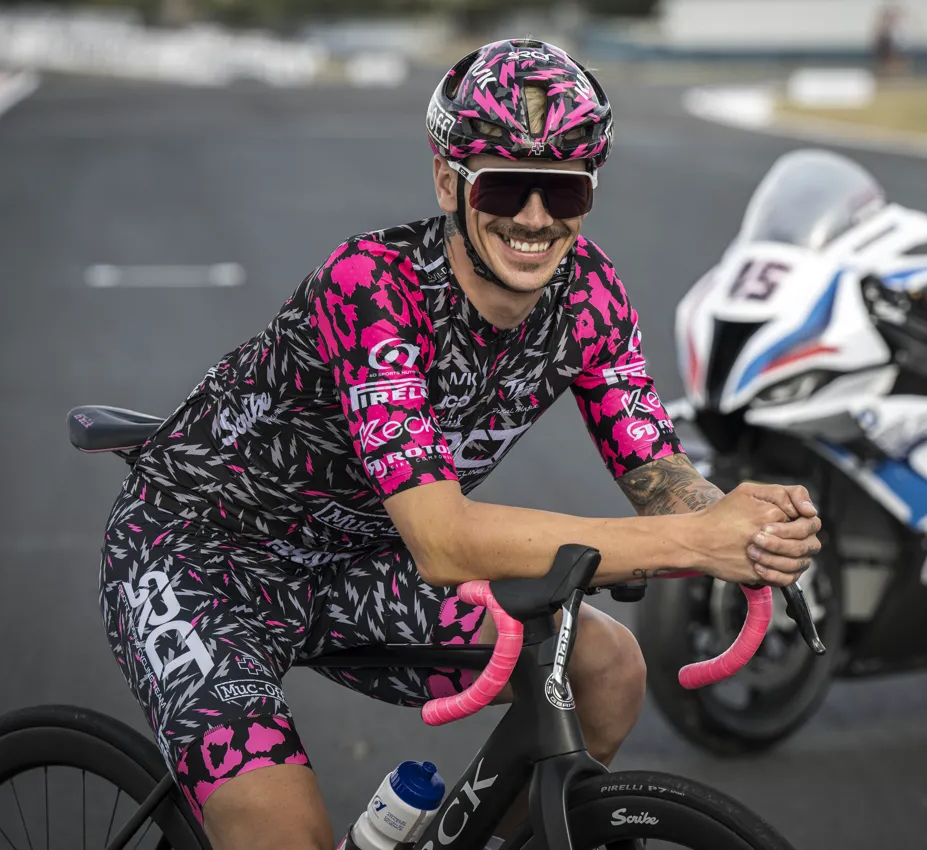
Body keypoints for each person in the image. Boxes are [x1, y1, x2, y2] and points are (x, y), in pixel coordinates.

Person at [98, 37, 823, 850]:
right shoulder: (369, 285)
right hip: (205, 555)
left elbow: (654, 468)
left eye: (566, 189)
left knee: (608, 671)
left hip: (361, 562)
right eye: (508, 183)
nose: (536, 217)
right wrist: (691, 540)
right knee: (283, 836)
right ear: (450, 181)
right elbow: (444, 543)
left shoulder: (590, 295)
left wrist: (739, 522)